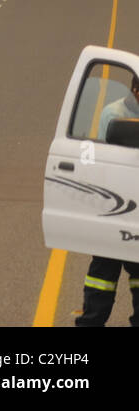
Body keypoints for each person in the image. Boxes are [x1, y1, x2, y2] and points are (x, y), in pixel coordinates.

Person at [76, 73, 139, 326]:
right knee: (102, 274)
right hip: (115, 207)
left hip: (136, 210)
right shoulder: (114, 115)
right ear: (136, 91)